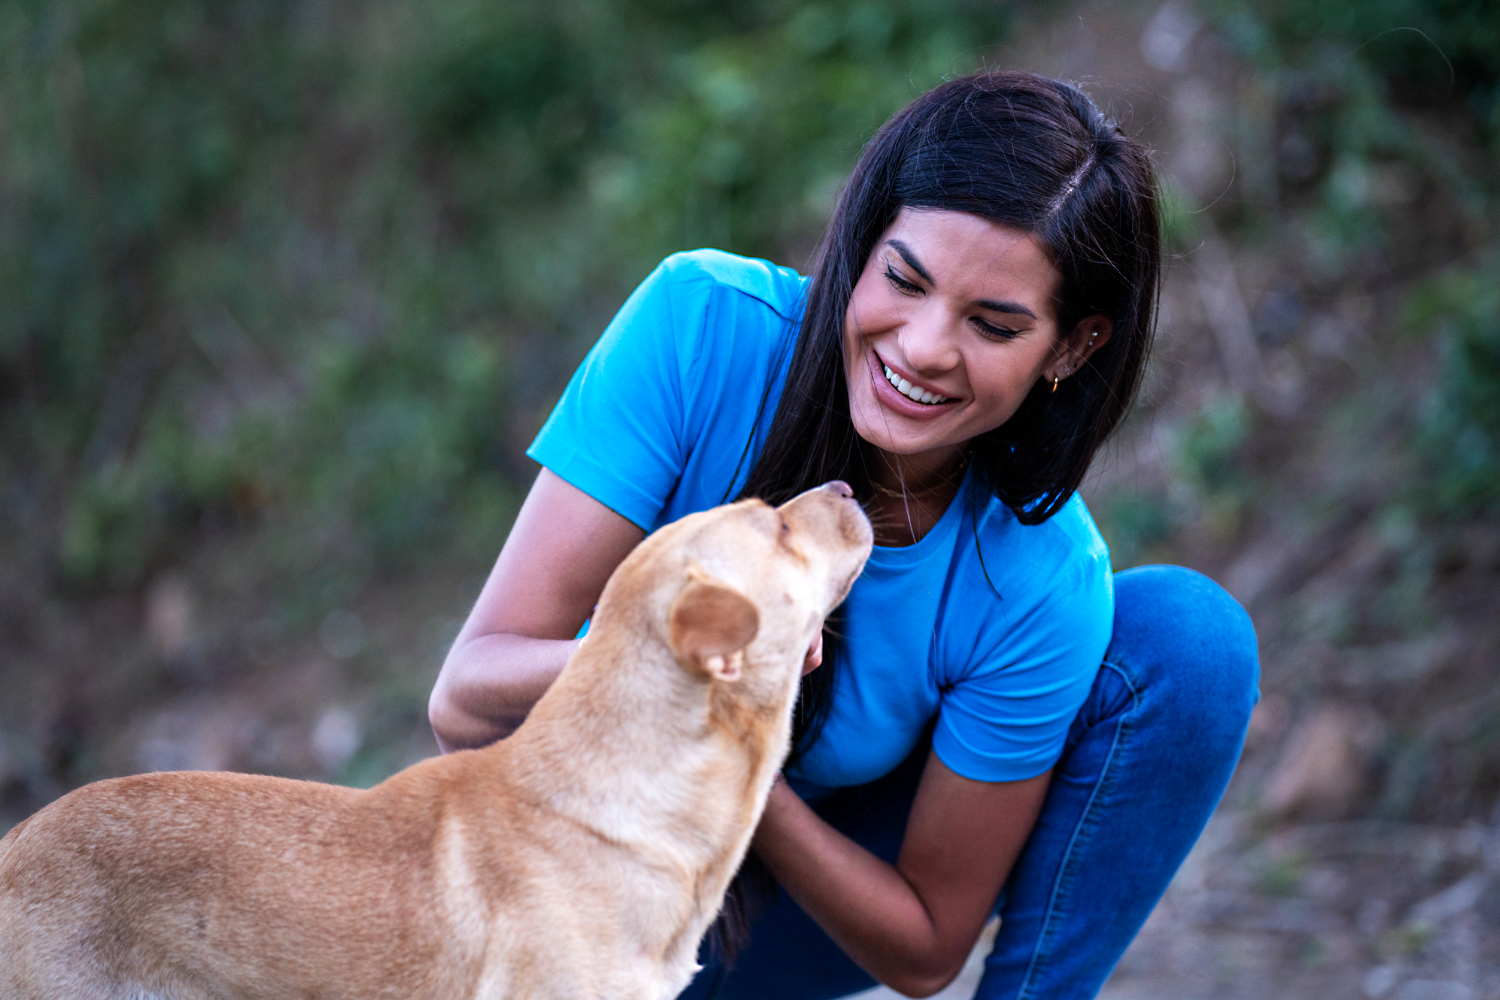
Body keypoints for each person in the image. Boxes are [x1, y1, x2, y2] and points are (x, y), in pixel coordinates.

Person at [427, 70, 1259, 999]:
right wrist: (685, 659)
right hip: (572, 888)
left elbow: (925, 948)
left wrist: (754, 741)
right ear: (865, 242)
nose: (921, 347)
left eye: (992, 324)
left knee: (1189, 643)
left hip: (772, 920)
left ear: (1071, 348)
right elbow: (466, 698)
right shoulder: (704, 327)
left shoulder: (1037, 575)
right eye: (904, 279)